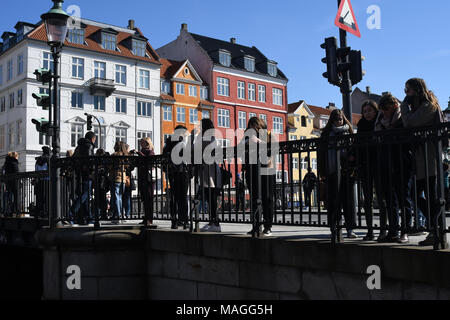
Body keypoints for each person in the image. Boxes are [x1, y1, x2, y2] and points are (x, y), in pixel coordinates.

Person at [401, 78, 444, 246]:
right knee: (415, 194)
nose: (406, 94)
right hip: (420, 159)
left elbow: (409, 122)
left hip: (429, 158)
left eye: (408, 90)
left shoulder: (429, 106)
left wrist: (404, 106)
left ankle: (436, 231)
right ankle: (434, 227)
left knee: (430, 195)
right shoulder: (417, 107)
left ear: (418, 90)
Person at [375, 93, 413, 243]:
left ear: (395, 106)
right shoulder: (381, 121)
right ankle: (393, 230)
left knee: (404, 198)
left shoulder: (402, 119)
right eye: (381, 109)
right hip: (386, 161)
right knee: (390, 199)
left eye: (386, 108)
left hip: (402, 161)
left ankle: (405, 231)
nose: (383, 112)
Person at [319, 109, 357, 241]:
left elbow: (354, 150)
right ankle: (334, 228)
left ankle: (350, 228)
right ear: (331, 120)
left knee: (349, 201)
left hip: (347, 171)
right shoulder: (326, 134)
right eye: (335, 119)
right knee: (333, 202)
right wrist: (322, 172)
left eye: (340, 118)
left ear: (343, 119)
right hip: (332, 172)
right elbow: (321, 155)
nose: (338, 121)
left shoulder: (349, 131)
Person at [356, 100, 388, 241]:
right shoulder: (361, 125)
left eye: (370, 110)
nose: (367, 113)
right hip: (365, 164)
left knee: (381, 198)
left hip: (379, 163)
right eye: (365, 111)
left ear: (375, 111)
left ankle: (383, 230)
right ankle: (369, 231)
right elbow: (357, 144)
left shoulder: (380, 123)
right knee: (367, 199)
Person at [241, 117, 276, 236]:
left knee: (267, 198)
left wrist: (259, 142)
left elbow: (272, 151)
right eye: (250, 127)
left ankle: (268, 226)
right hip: (252, 171)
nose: (252, 129)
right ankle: (256, 225)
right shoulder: (247, 137)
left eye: (254, 126)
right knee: (255, 198)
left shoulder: (269, 135)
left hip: (267, 170)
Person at [196, 119, 223, 233]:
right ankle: (213, 221)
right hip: (209, 171)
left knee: (211, 197)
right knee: (209, 197)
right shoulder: (210, 137)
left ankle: (215, 222)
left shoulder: (207, 138)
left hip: (209, 171)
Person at [163, 125, 190, 229]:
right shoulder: (183, 142)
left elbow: (164, 158)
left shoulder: (168, 143)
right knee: (183, 196)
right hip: (182, 171)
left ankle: (174, 220)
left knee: (174, 196)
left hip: (172, 172)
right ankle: (184, 220)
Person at [69, 131, 96, 225]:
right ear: (92, 138)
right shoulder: (89, 146)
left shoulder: (78, 146)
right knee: (85, 194)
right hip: (87, 174)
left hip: (79, 173)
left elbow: (73, 159)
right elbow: (90, 160)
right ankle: (71, 213)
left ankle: (88, 217)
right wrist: (92, 170)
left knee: (85, 196)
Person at [135, 137, 156, 226]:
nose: (140, 144)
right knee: (144, 199)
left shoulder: (150, 152)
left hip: (148, 179)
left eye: (142, 142)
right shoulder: (143, 151)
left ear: (147, 143)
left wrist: (139, 153)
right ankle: (145, 218)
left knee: (149, 198)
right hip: (142, 178)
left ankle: (149, 219)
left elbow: (149, 161)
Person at [110, 141, 129, 224]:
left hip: (115, 177)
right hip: (123, 179)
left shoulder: (114, 155)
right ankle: (122, 214)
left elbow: (110, 166)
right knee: (120, 197)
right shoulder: (125, 155)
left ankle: (118, 215)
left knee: (116, 197)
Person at [34, 146, 51, 217]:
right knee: (47, 197)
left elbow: (36, 170)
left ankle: (39, 212)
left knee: (40, 197)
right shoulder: (48, 160)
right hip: (47, 181)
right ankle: (46, 212)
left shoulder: (38, 160)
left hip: (40, 181)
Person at [94, 149, 110, 221]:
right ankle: (103, 214)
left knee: (99, 198)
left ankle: (101, 214)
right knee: (102, 198)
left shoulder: (99, 160)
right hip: (103, 181)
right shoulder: (105, 160)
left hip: (100, 181)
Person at [3, 152, 19, 216]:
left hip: (8, 182)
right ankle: (16, 210)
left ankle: (8, 210)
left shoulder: (6, 163)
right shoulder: (14, 163)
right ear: (15, 156)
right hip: (14, 182)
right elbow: (16, 172)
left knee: (9, 196)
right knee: (15, 197)